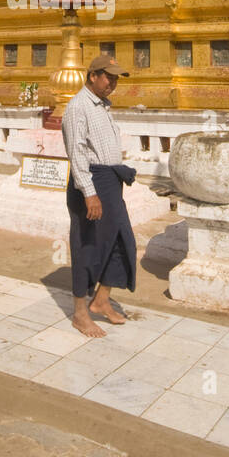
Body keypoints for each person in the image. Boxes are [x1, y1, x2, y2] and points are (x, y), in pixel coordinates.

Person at [61, 54, 138, 338]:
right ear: (92, 75)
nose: (113, 83)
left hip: (109, 181)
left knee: (121, 241)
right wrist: (89, 192)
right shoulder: (78, 107)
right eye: (109, 77)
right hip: (90, 183)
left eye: (116, 78)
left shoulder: (103, 106)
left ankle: (101, 299)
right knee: (87, 245)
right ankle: (80, 312)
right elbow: (77, 151)